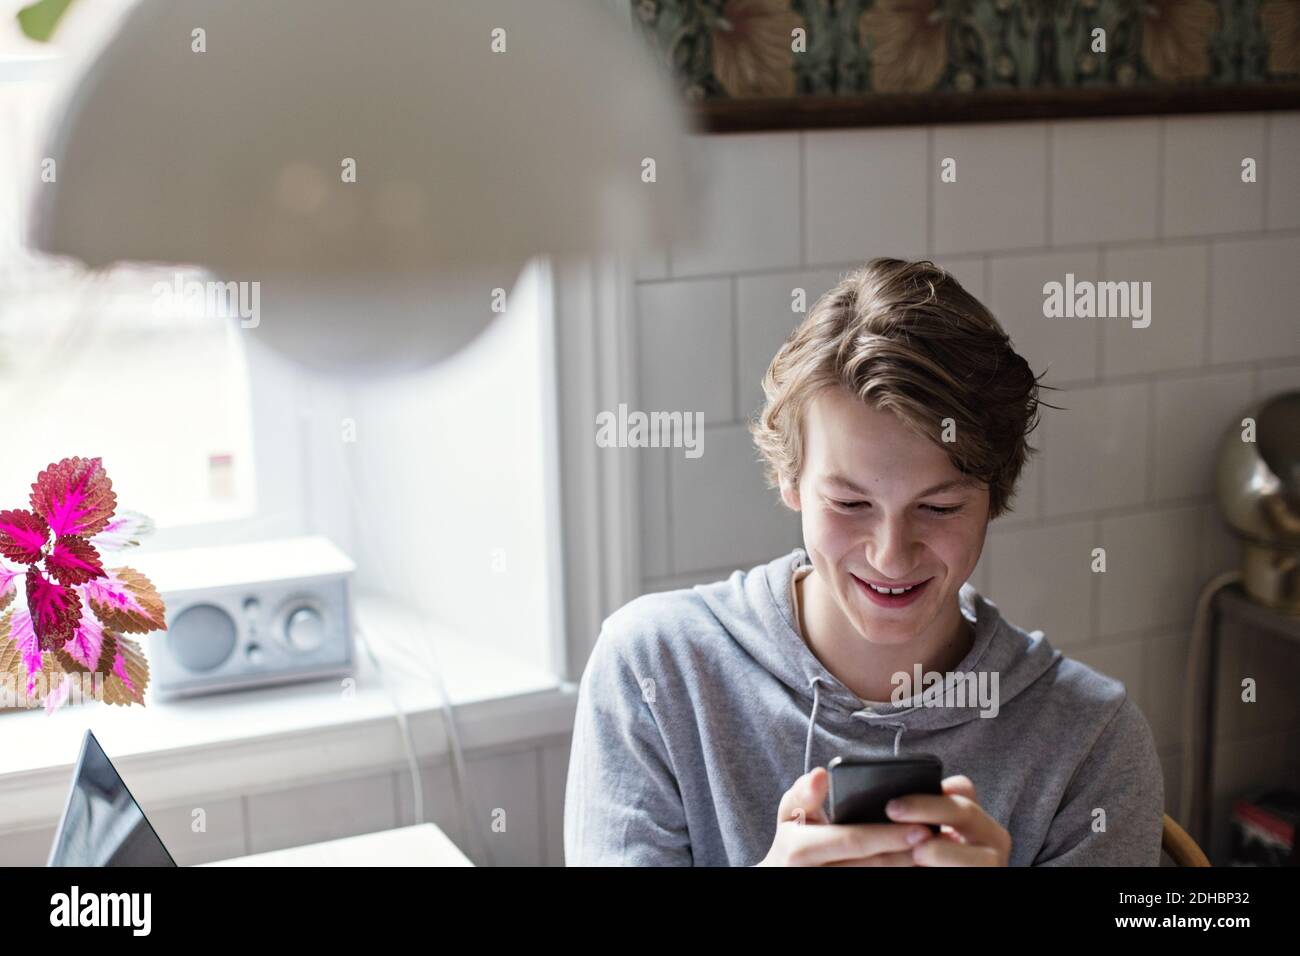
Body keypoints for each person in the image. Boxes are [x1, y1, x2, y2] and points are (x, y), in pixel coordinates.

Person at [564, 257, 1165, 866]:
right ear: (789, 478)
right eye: (851, 502)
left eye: (939, 507)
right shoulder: (654, 671)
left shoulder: (1090, 739)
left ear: (995, 497)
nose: (890, 554)